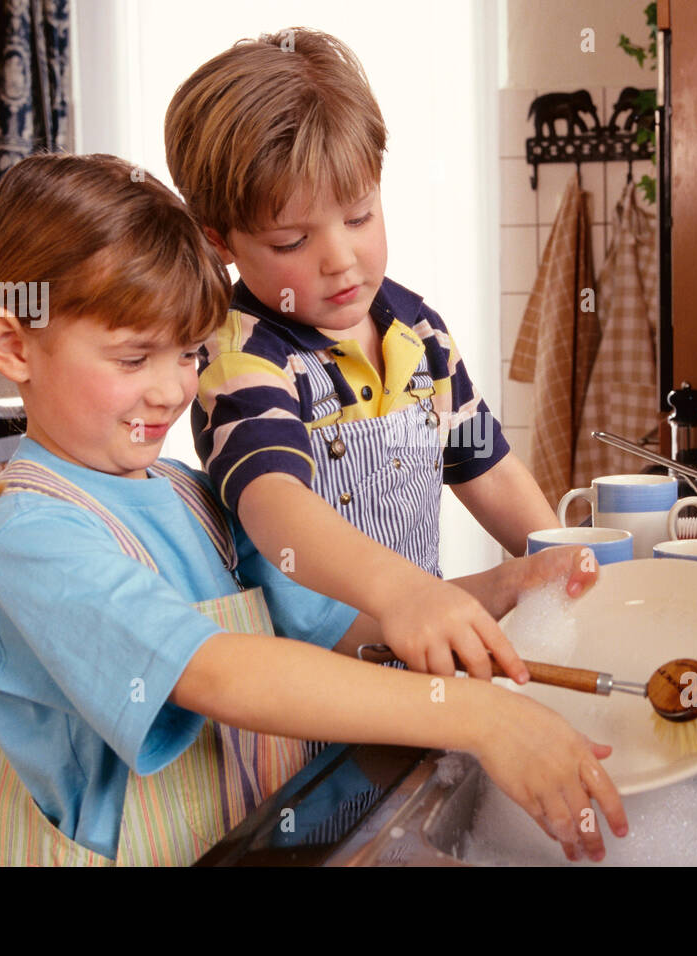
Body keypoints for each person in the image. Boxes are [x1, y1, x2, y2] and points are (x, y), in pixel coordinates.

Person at [0, 152, 626, 865]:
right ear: (13, 344)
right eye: (134, 358)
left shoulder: (186, 492)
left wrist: (500, 592)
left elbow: (344, 629)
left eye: (188, 354)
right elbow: (217, 673)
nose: (172, 391)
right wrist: (480, 717)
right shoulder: (27, 536)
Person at [164, 28, 566, 679]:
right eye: (293, 240)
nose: (341, 260)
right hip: (312, 692)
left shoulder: (416, 329)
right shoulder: (240, 356)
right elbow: (275, 507)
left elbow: (488, 469)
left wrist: (562, 563)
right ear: (221, 241)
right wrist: (403, 592)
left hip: (420, 658)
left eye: (359, 217)